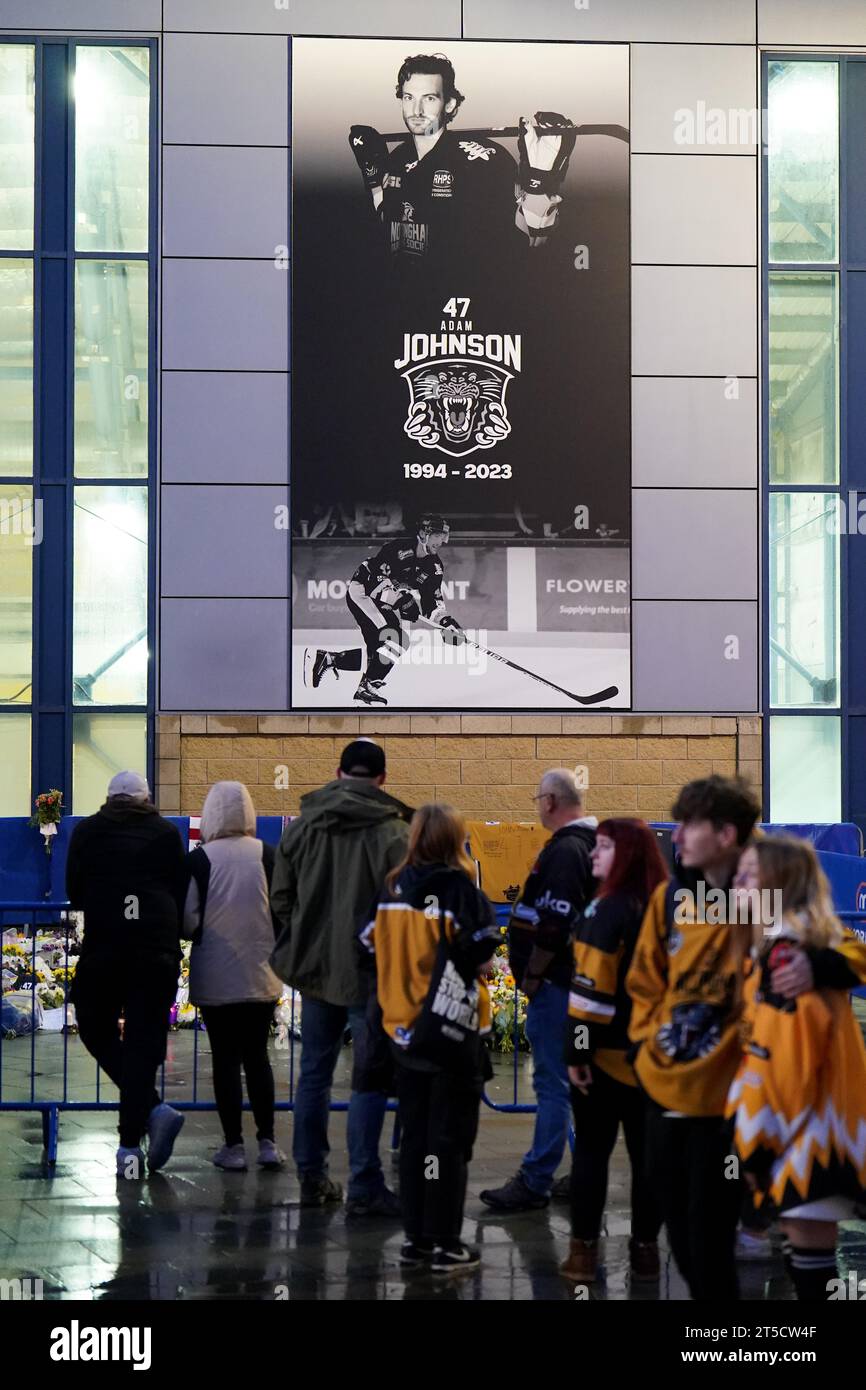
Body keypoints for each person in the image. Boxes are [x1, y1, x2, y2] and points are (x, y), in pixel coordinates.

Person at [626, 774, 866, 1302]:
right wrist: (647, 1047)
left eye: (690, 823)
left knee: (716, 1245)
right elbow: (644, 982)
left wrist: (819, 963)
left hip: (732, 1104)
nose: (678, 835)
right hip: (665, 1091)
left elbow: (841, 942)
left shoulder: (761, 891)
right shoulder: (671, 897)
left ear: (727, 834)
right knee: (685, 1245)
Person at [270, 739, 412, 1212]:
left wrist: (304, 937)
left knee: (313, 1074)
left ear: (337, 771)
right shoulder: (394, 835)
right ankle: (366, 1184)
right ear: (383, 779)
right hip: (372, 974)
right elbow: (405, 910)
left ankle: (312, 1176)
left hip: (314, 971)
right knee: (368, 1079)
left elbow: (281, 899)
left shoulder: (303, 826)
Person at [360, 803, 500, 1272]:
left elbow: (366, 944)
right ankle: (446, 1243)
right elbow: (483, 954)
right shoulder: (458, 890)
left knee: (416, 1139)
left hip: (401, 1032)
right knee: (452, 1141)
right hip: (449, 1032)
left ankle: (417, 1239)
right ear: (454, 839)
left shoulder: (392, 888)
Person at [728, 836, 866, 1301]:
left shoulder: (789, 951)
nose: (736, 884)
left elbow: (781, 1060)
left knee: (812, 1273)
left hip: (808, 1132)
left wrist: (758, 1142)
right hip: (815, 1126)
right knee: (806, 1262)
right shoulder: (798, 942)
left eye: (748, 875)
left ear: (777, 884)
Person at [480, 768, 596, 1212]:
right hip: (579, 986)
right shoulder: (591, 845)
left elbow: (556, 920)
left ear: (550, 801)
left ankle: (535, 1180)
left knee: (552, 1083)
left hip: (557, 985)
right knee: (578, 1083)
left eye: (537, 799)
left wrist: (532, 974)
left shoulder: (566, 850)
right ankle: (585, 1171)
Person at [348, 52, 576, 273]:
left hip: (468, 302)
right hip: (405, 302)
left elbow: (533, 240)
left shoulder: (484, 158)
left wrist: (540, 182)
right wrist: (373, 178)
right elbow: (388, 221)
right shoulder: (397, 158)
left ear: (449, 104)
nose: (416, 110)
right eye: (409, 98)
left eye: (429, 98)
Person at [560, 818, 667, 1284]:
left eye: (603, 847)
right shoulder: (669, 907)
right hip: (657, 1060)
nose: (593, 855)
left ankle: (583, 1256)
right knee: (649, 1162)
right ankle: (645, 1252)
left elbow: (589, 996)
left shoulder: (605, 910)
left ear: (624, 855)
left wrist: (577, 1054)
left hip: (605, 1061)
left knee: (591, 1156)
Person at [66, 771, 187, 1178]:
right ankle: (132, 1142)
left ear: (108, 798)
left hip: (106, 948)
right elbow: (179, 887)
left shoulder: (87, 831)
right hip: (155, 950)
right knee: (143, 1041)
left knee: (94, 1026)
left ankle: (144, 1125)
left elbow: (75, 890)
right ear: (146, 798)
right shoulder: (166, 833)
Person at [183, 782, 284, 1172]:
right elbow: (281, 911)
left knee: (225, 1060)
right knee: (258, 1057)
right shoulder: (268, 855)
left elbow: (189, 920)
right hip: (261, 974)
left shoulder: (198, 860)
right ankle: (269, 1142)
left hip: (215, 975)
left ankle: (233, 1146)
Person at [302, 516, 463, 707]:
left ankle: (328, 659)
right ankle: (366, 687)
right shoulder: (397, 548)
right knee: (398, 640)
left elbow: (432, 601)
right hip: (362, 593)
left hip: (382, 601)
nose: (441, 541)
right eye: (437, 535)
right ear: (423, 533)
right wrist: (401, 600)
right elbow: (375, 581)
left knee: (380, 655)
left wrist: (445, 622)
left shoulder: (434, 567)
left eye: (443, 536)